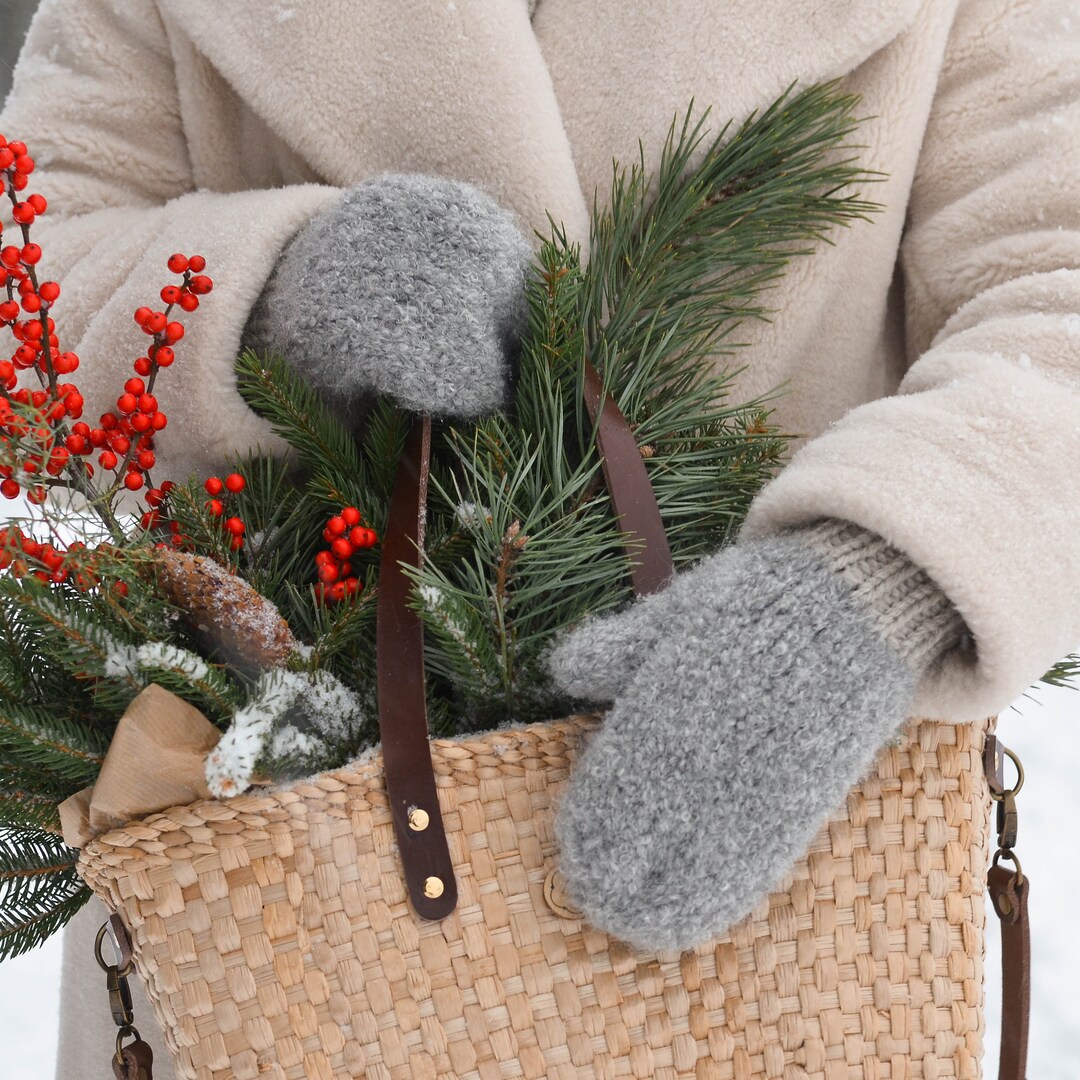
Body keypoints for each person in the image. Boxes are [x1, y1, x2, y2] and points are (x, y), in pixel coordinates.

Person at [2, 2, 1079, 1077]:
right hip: (282, 905)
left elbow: (1055, 291)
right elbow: (32, 262)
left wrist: (865, 591)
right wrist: (274, 297)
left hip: (790, 865)